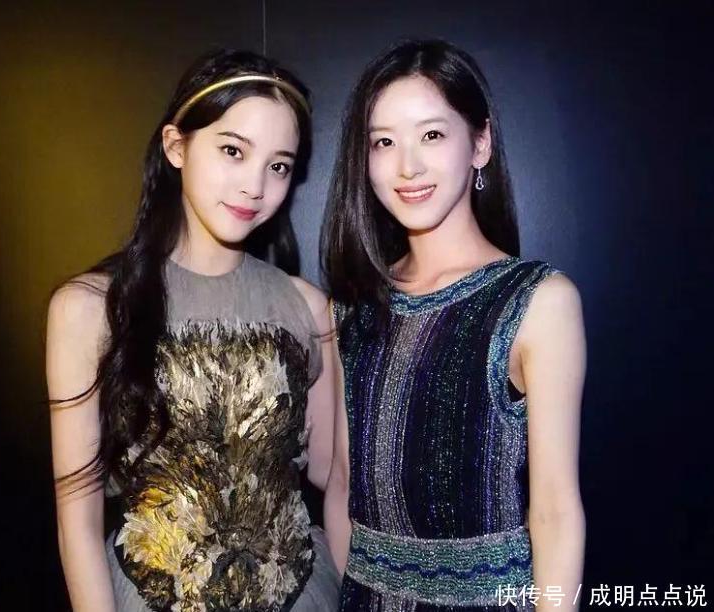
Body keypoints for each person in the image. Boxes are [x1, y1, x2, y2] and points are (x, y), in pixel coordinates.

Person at [46, 49, 340, 612]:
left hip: (301, 592)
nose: (255, 185)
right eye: (233, 151)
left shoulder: (309, 308)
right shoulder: (87, 308)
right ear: (176, 146)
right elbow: (76, 522)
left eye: (278, 166)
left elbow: (336, 476)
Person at [322, 39, 586, 611]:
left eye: (432, 135)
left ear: (480, 143)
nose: (407, 166)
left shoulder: (537, 301)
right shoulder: (351, 305)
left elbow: (555, 511)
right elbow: (343, 483)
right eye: (384, 142)